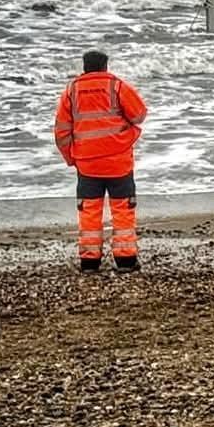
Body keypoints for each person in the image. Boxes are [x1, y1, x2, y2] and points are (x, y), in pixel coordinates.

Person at [54, 49, 147, 273]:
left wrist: (71, 158)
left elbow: (61, 132)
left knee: (89, 212)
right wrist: (128, 135)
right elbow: (139, 115)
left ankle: (89, 261)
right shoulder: (116, 86)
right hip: (119, 163)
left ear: (84, 67)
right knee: (123, 210)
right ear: (106, 66)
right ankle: (125, 260)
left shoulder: (71, 91)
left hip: (87, 164)